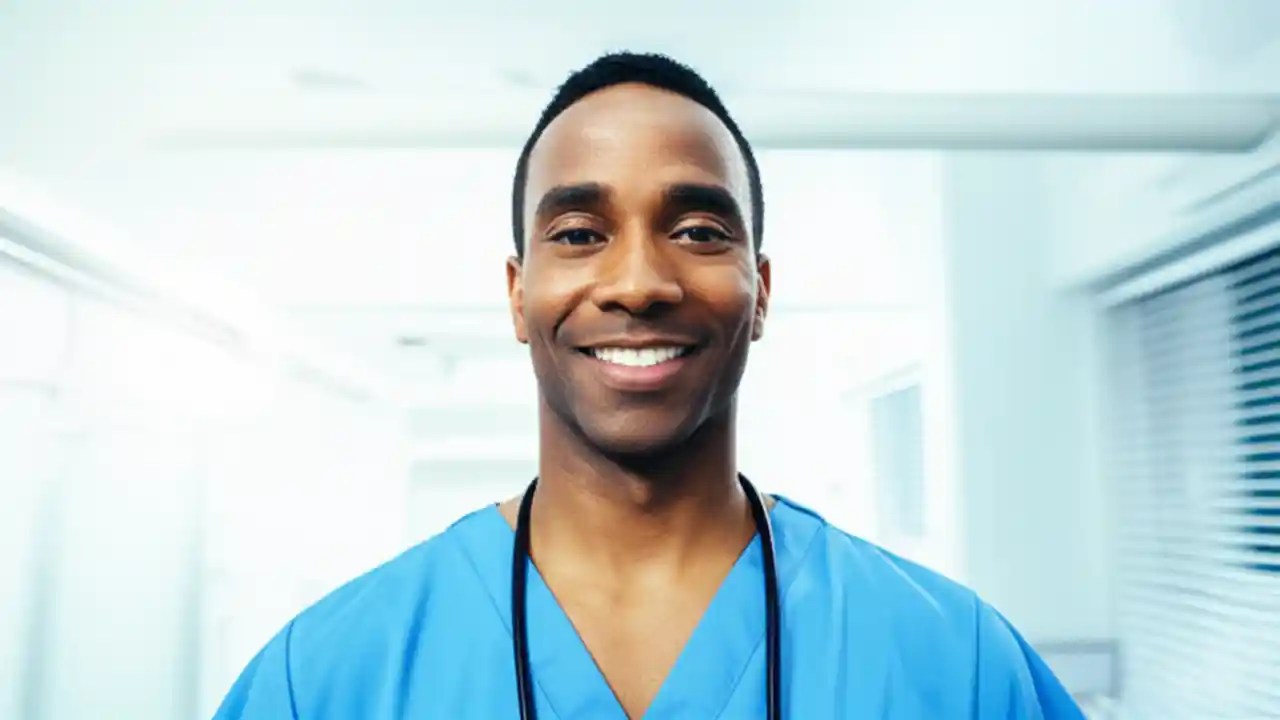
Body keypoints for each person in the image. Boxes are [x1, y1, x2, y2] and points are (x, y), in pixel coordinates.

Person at [212, 51, 1082, 719]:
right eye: (581, 232)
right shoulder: (327, 678)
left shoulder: (955, 665)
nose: (638, 281)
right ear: (518, 295)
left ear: (762, 292)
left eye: (700, 230)